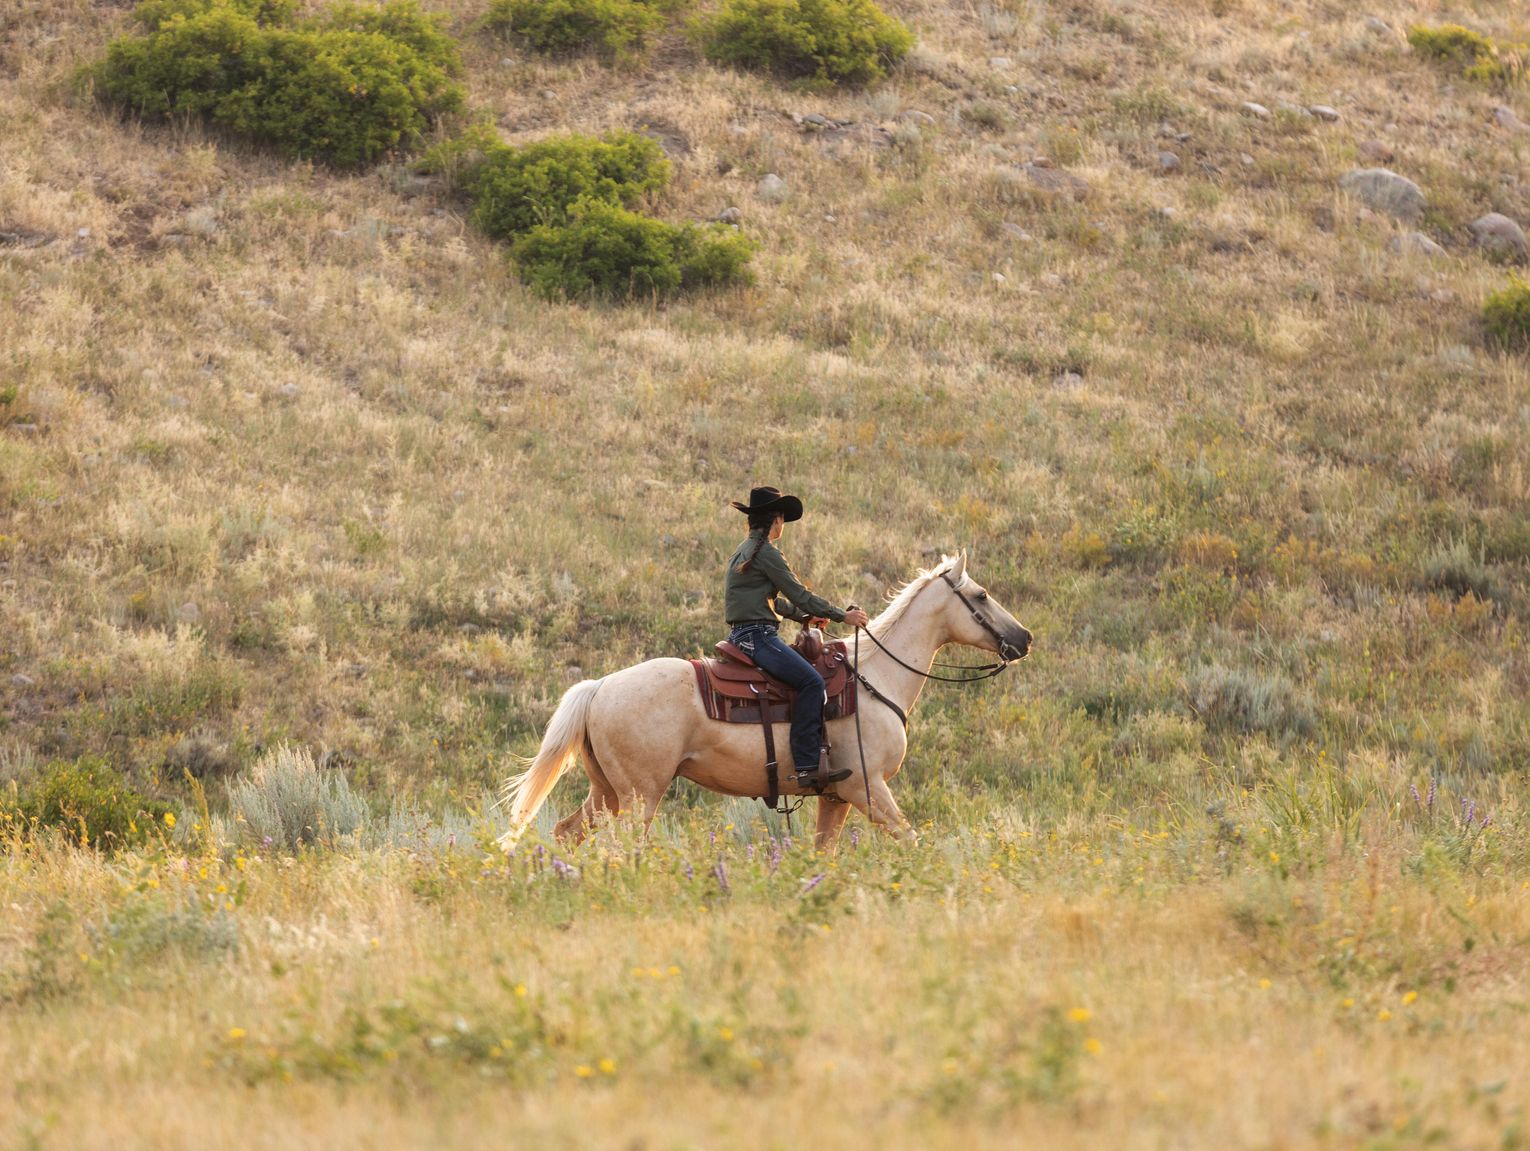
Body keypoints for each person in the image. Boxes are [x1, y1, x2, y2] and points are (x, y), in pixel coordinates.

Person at [722, 486, 871, 792]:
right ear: (775, 521)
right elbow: (799, 593)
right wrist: (843, 616)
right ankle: (806, 765)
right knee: (812, 682)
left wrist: (803, 617)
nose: (783, 526)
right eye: (783, 519)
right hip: (758, 636)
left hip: (743, 633)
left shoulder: (744, 550)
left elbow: (769, 601)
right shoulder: (767, 553)